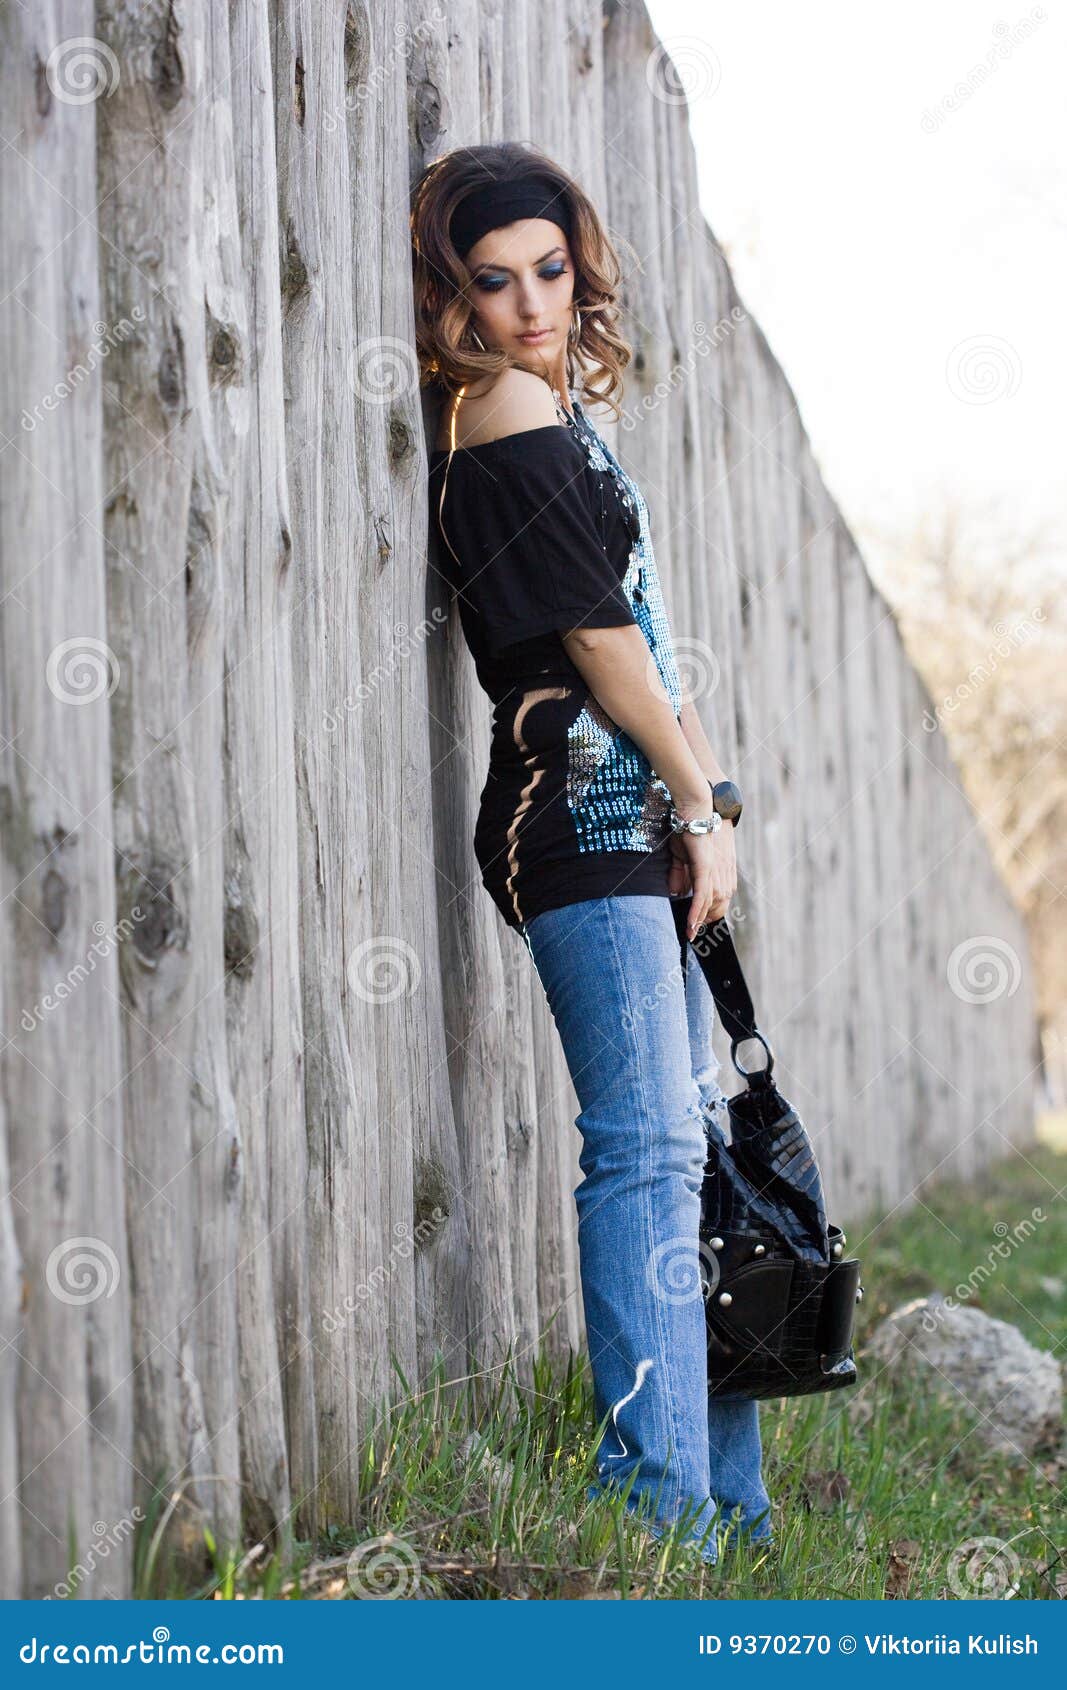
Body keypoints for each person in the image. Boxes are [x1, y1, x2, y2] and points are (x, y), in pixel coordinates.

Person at [411, 142, 773, 1563]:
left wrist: (707, 807)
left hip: (645, 824)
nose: (528, 304)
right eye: (492, 282)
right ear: (458, 297)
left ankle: (727, 1512)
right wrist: (698, 806)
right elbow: (604, 651)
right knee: (644, 1149)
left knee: (697, 1156)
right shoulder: (500, 409)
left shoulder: (559, 412)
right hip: (580, 816)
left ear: (581, 260)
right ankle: (654, 1505)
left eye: (549, 271)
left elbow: (652, 637)